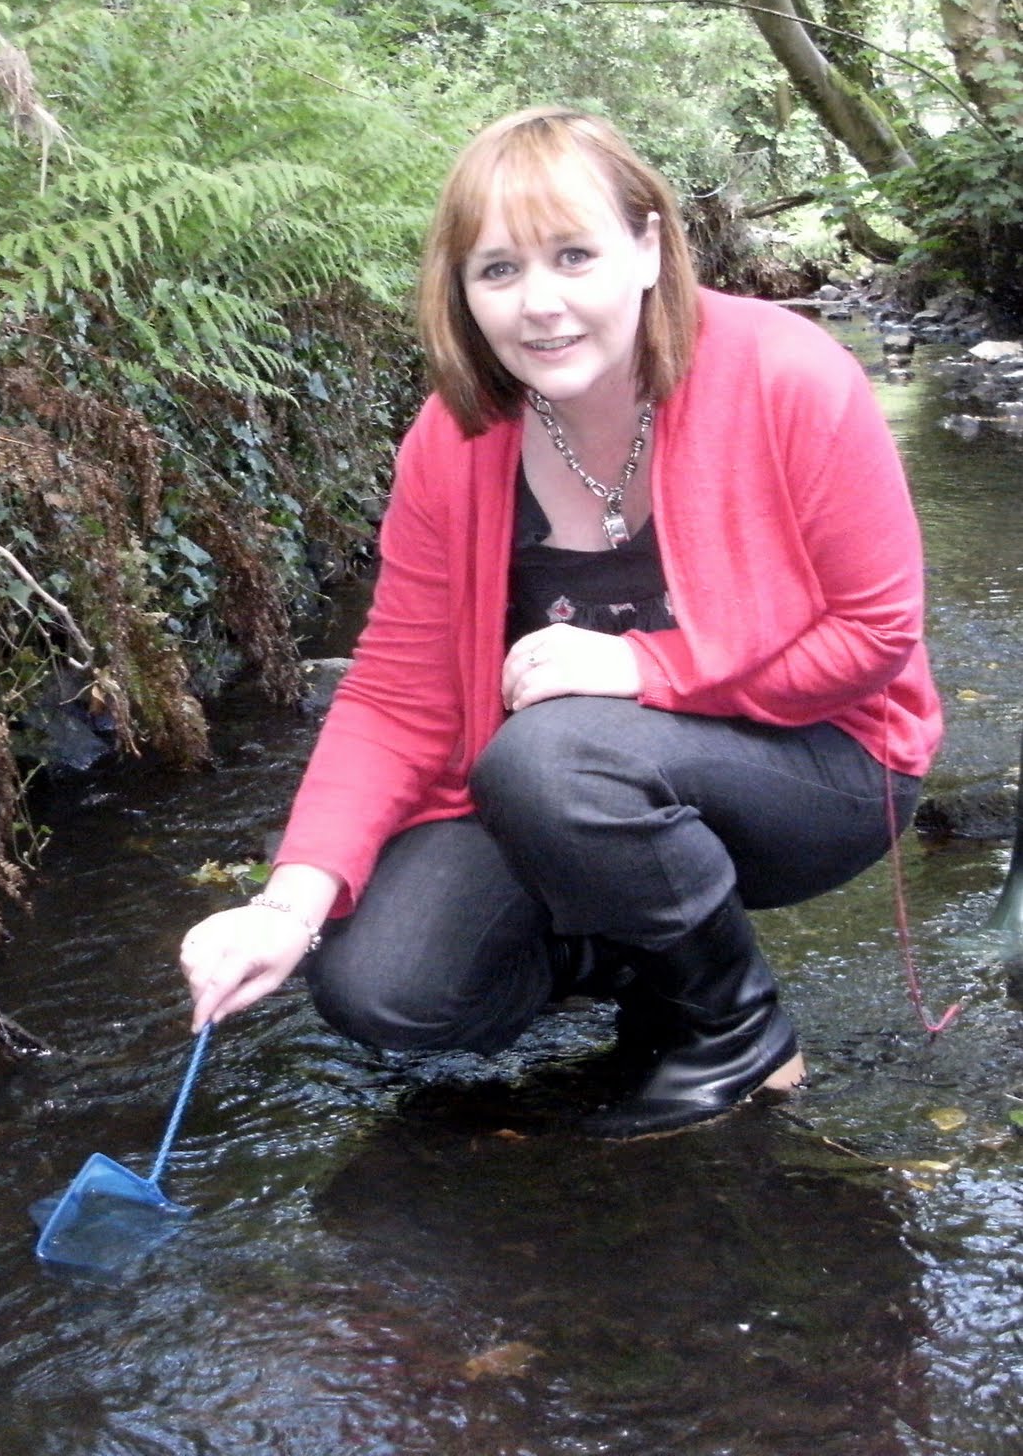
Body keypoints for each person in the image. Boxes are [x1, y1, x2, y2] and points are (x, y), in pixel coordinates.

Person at [180, 106, 943, 1139]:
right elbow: (394, 693)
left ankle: (733, 1031)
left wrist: (644, 667)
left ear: (646, 246)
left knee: (552, 751)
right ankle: (636, 943)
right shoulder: (452, 438)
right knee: (381, 988)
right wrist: (287, 904)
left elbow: (873, 635)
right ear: (460, 288)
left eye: (572, 255)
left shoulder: (786, 374)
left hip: (825, 767)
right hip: (589, 790)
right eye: (497, 271)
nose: (537, 304)